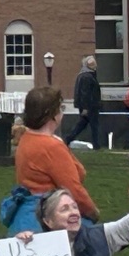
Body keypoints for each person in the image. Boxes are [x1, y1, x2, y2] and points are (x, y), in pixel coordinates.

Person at [13, 86, 102, 218]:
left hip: (29, 214)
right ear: (51, 114)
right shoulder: (51, 146)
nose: (62, 113)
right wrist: (92, 212)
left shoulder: (26, 138)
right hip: (51, 215)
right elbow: (73, 189)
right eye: (61, 108)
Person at [65, 55, 102, 146]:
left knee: (82, 124)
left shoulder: (84, 75)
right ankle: (96, 145)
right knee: (93, 125)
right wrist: (85, 108)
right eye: (93, 64)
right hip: (90, 105)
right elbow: (85, 93)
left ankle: (67, 139)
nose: (95, 65)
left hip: (88, 105)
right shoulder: (87, 77)